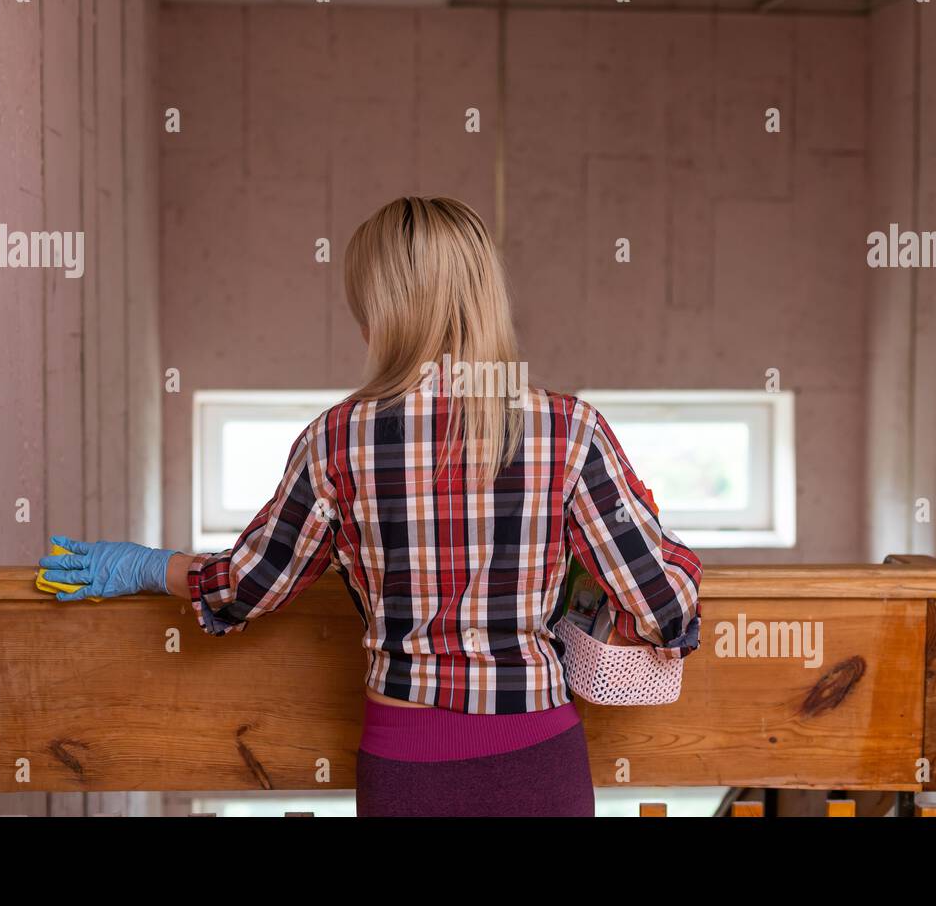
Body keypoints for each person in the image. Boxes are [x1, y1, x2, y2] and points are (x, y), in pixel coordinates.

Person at [38, 195, 703, 817]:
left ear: (385, 312)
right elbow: (662, 609)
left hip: (405, 767)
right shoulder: (571, 429)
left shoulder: (337, 439)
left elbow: (248, 586)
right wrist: (661, 543)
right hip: (538, 761)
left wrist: (148, 567)